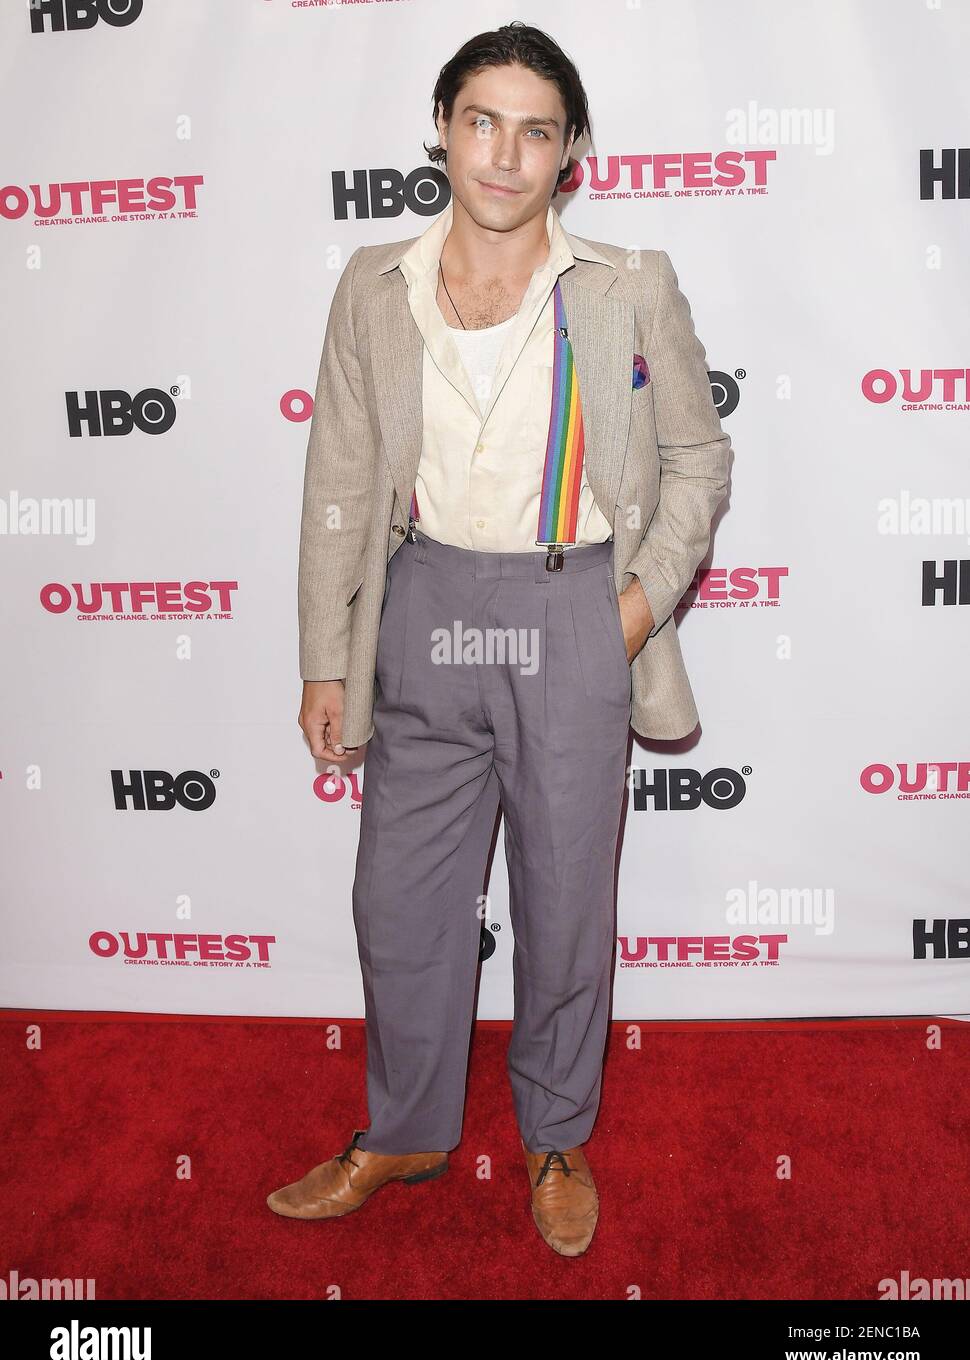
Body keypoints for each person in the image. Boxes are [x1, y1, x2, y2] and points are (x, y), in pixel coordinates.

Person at [267, 21, 732, 1257]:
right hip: (421, 606)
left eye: (536, 130)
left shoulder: (628, 283)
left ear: (570, 152)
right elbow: (341, 476)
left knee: (566, 902)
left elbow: (697, 456)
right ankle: (408, 1129)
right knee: (399, 900)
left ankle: (557, 1134)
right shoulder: (375, 284)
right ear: (439, 125)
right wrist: (327, 652)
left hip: (568, 606)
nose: (505, 154)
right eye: (483, 121)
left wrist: (629, 608)